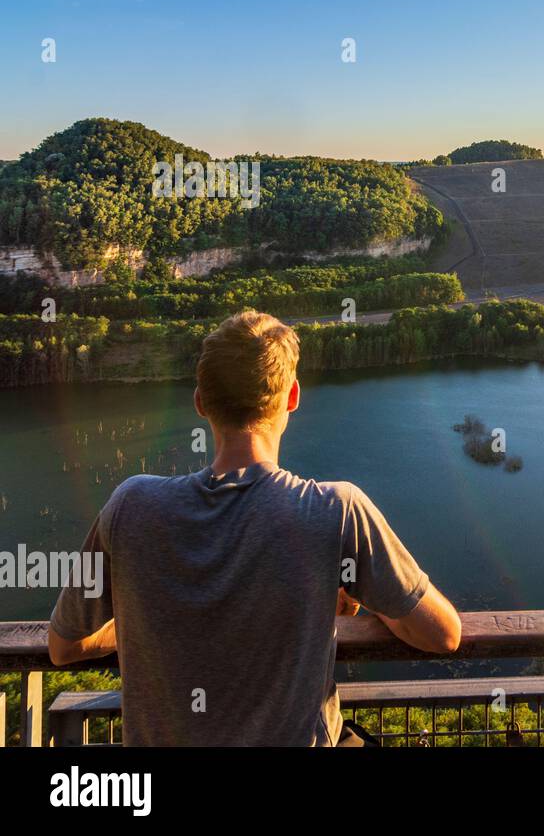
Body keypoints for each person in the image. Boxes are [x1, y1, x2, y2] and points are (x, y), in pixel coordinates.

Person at [47, 310, 461, 745]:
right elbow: (443, 633)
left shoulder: (130, 506)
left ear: (201, 403)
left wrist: (149, 615)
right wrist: (330, 598)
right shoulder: (334, 511)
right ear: (293, 397)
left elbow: (64, 647)